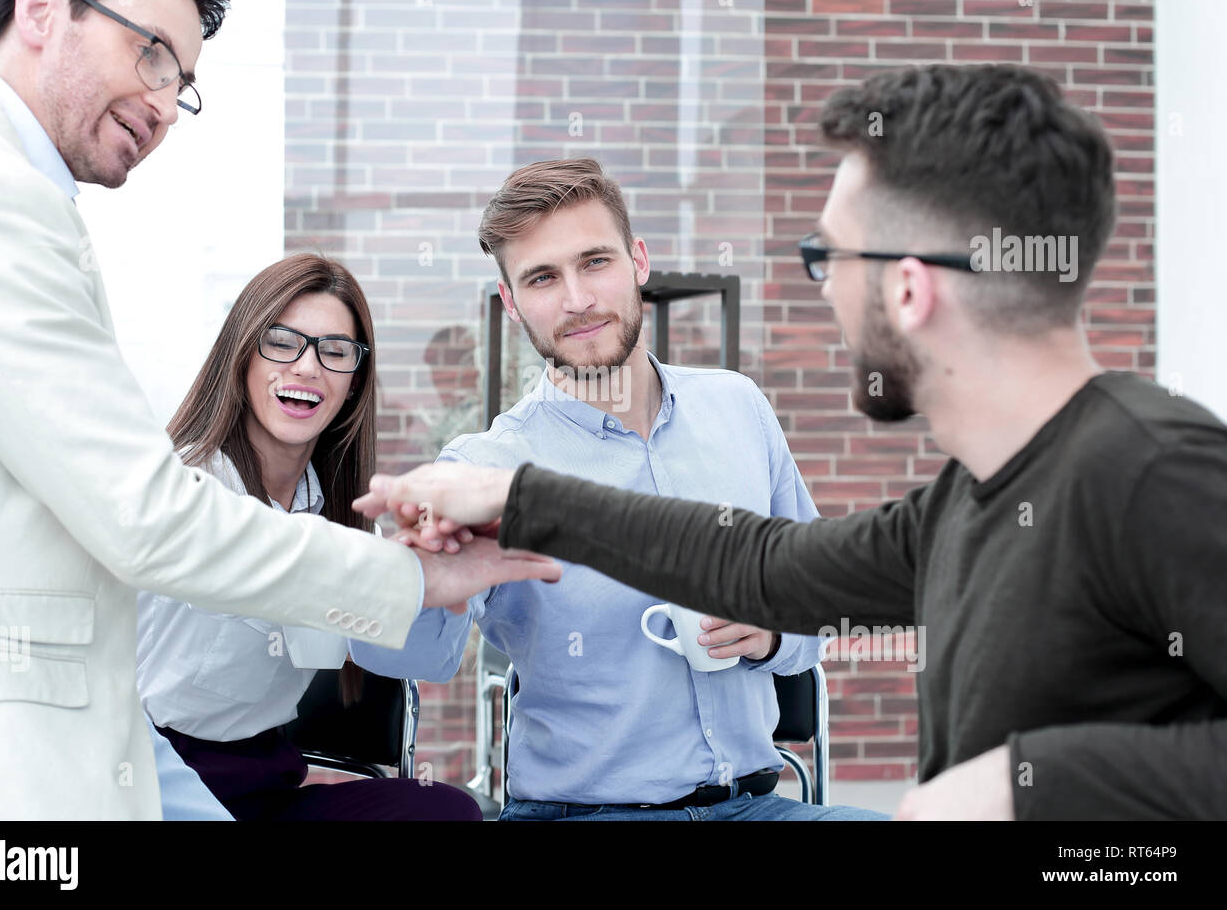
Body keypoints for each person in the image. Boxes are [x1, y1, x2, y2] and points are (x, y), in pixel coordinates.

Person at [358, 64, 1227, 821]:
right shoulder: (972, 499)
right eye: (545, 277)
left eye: (828, 258)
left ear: (910, 291)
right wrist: (510, 507)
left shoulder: (1154, 470)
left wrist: (1028, 786)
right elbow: (769, 566)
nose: (823, 295)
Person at [0, 0, 556, 819]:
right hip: (22, 759)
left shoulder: (1, 187)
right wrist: (406, 577)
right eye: (151, 52)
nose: (161, 103)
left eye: (180, 83)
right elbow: (146, 522)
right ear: (41, 10)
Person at [350, 159, 885, 821]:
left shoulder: (738, 407)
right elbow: (411, 662)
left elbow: (817, 605)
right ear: (511, 302)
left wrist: (773, 636)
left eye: (594, 262)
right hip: (587, 814)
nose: (577, 300)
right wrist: (417, 580)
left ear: (638, 261)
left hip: (758, 807)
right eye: (543, 277)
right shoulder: (486, 464)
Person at [137, 254, 481, 820]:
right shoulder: (187, 485)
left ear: (354, 382)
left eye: (335, 351)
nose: (307, 366)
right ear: (242, 354)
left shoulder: (335, 513)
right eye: (282, 341)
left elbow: (424, 659)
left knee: (444, 811)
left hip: (264, 784)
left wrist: (439, 577)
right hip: (154, 780)